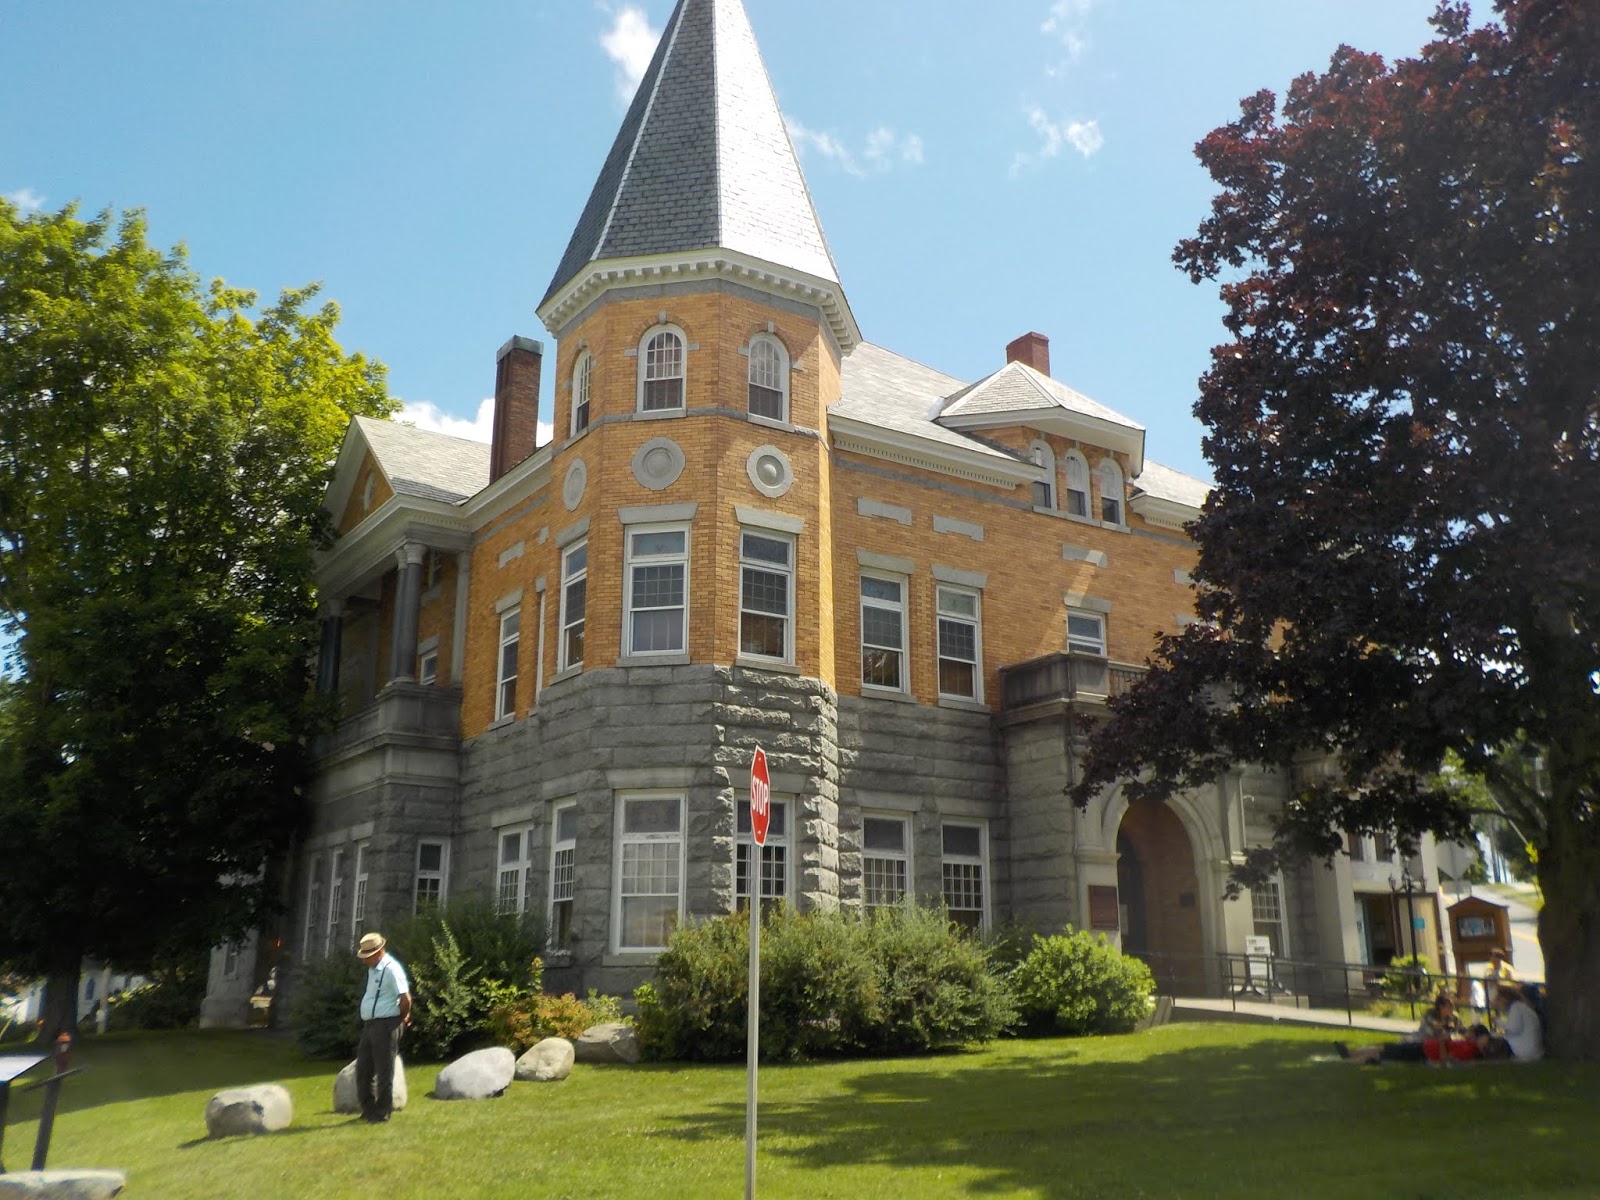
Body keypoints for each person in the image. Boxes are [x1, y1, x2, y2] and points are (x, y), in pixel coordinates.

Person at [355, 931, 412, 1123]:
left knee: (384, 1070)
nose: (364, 961)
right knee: (363, 1069)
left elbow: (405, 998)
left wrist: (402, 1018)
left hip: (386, 1024)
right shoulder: (373, 969)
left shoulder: (391, 969)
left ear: (378, 953)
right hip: (370, 1024)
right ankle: (368, 1109)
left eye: (366, 956)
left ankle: (382, 1112)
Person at [1335, 993, 1465, 1064]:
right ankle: (1353, 1053)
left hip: (1426, 1047)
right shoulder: (1430, 1015)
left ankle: (1352, 1055)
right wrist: (1446, 1030)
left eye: (1451, 1006)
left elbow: (1460, 1032)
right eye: (1448, 1006)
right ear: (1440, 1007)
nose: (1451, 1009)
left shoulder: (1454, 1018)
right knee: (1384, 1047)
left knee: (1385, 1051)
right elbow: (1432, 1032)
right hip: (1417, 1040)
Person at [1492, 984, 1544, 1062]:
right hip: (1530, 1048)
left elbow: (1513, 1028)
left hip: (1526, 1051)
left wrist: (1498, 1021)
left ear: (1503, 999)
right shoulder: (1520, 1007)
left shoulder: (1516, 1008)